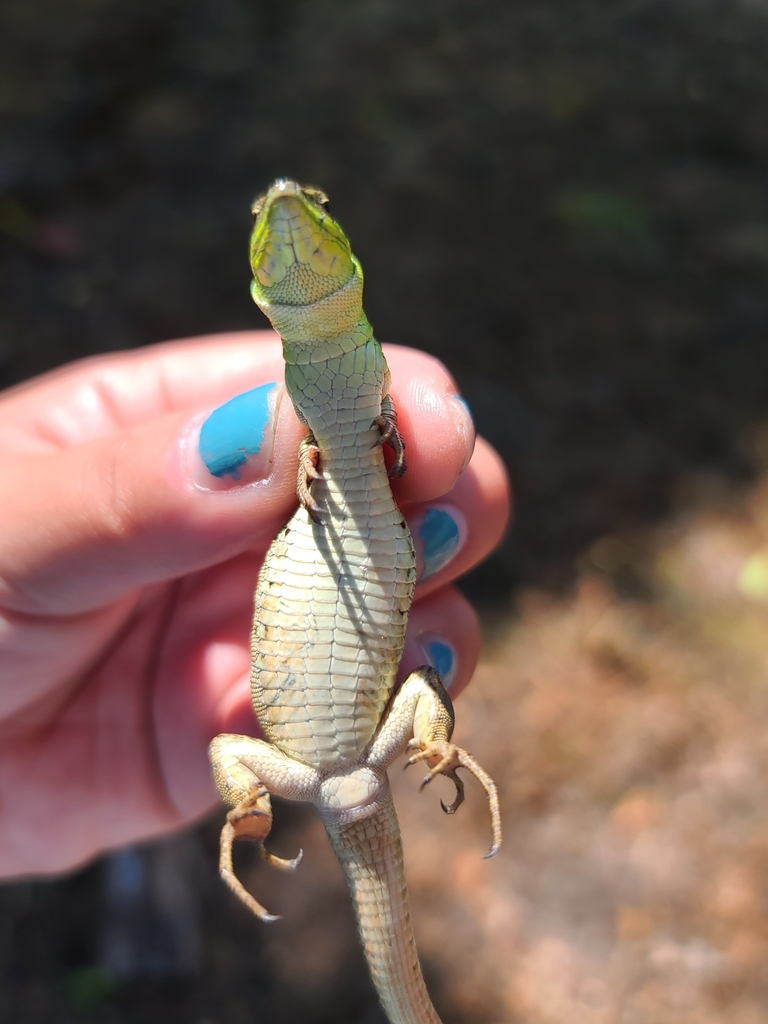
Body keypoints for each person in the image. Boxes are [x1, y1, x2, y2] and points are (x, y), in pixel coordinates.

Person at [0, 331, 510, 879]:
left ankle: (431, 745)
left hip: (320, 755)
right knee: (421, 680)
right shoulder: (303, 454)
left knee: (415, 685)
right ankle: (249, 807)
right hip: (310, 760)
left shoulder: (377, 448)